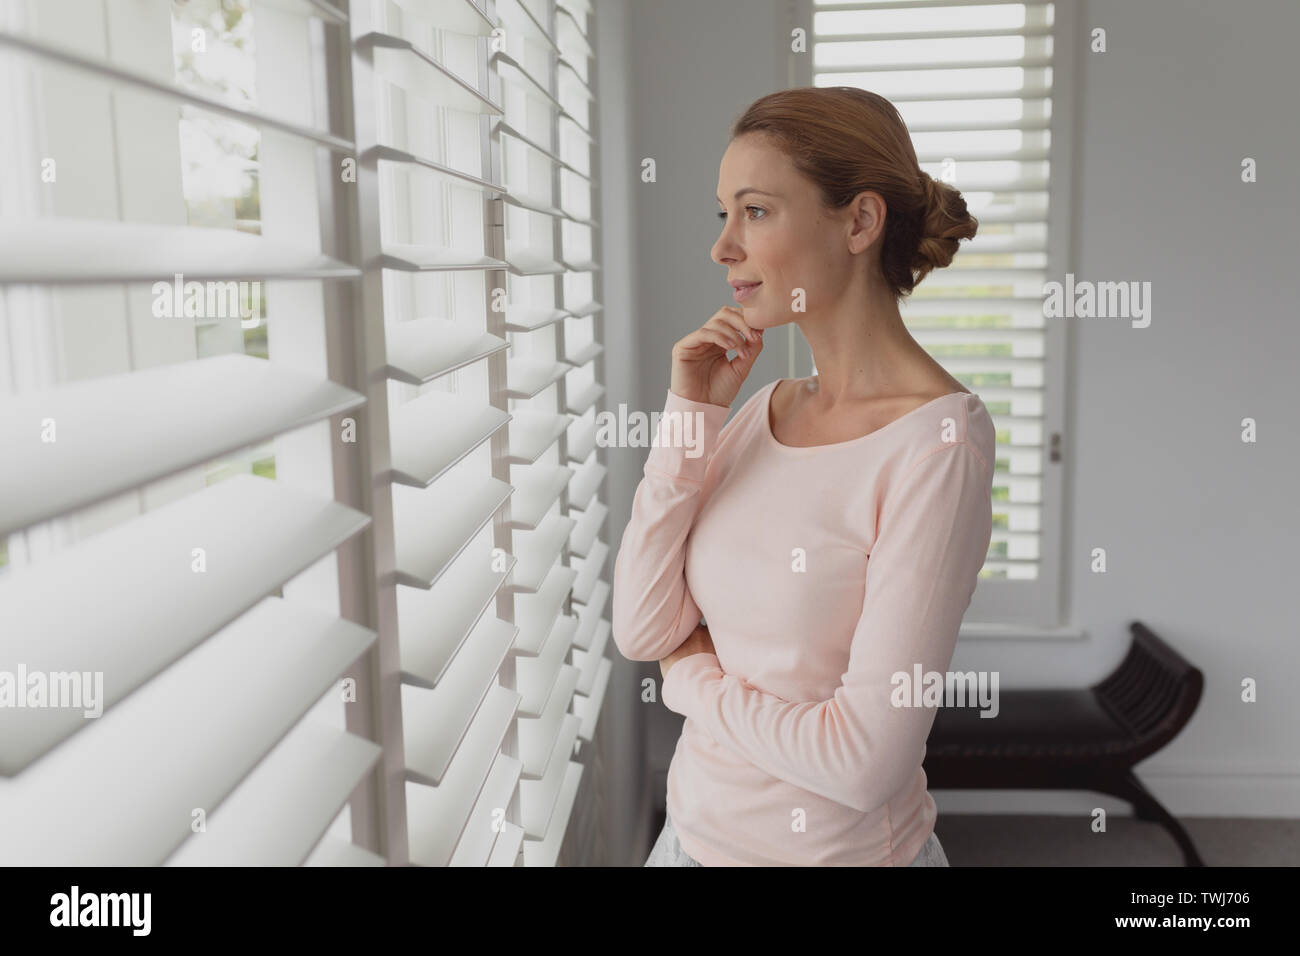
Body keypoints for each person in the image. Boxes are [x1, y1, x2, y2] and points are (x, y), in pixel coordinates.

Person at [612, 86, 994, 866]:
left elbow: (861, 763)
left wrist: (691, 682)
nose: (723, 248)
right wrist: (692, 414)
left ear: (858, 221)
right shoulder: (764, 408)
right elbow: (644, 628)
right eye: (722, 214)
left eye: (754, 211)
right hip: (687, 843)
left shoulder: (938, 445)